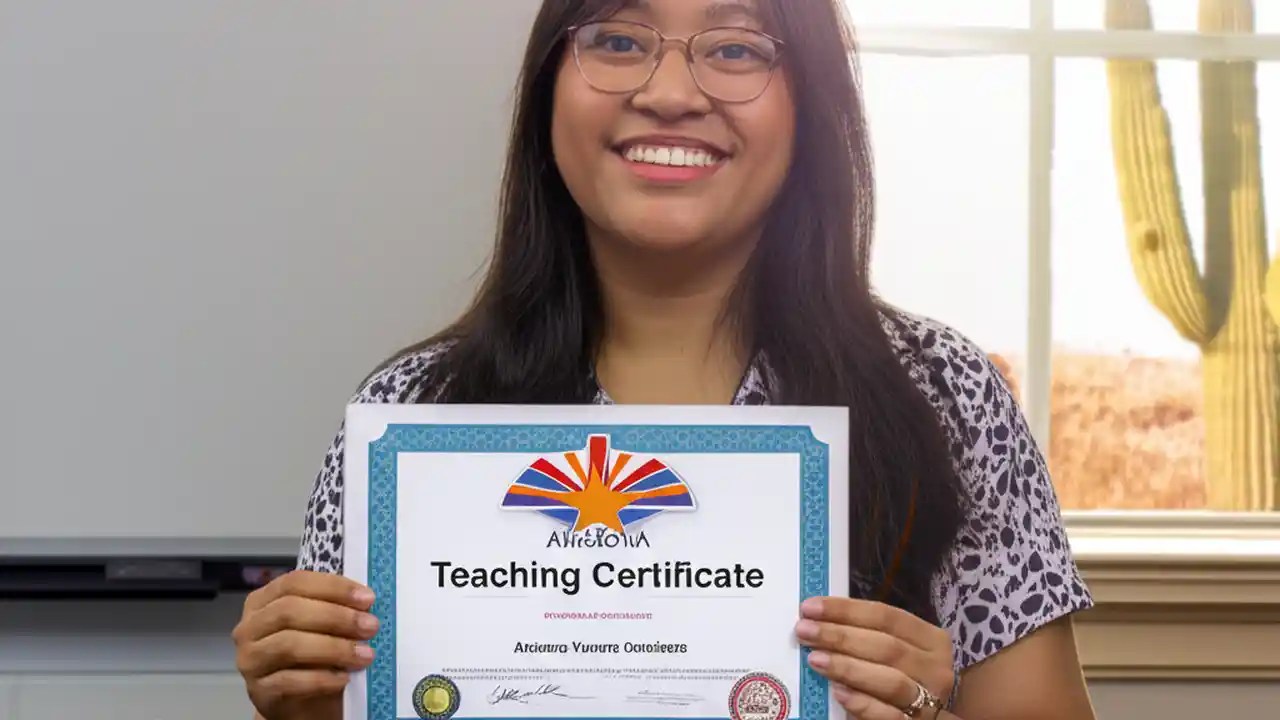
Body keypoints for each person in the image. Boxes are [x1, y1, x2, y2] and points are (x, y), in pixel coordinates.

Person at [231, 0, 1099, 718]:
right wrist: (308, 703)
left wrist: (923, 713)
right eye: (617, 38)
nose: (672, 92)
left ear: (813, 101)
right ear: (545, 93)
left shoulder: (944, 394)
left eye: (735, 47)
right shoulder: (414, 414)